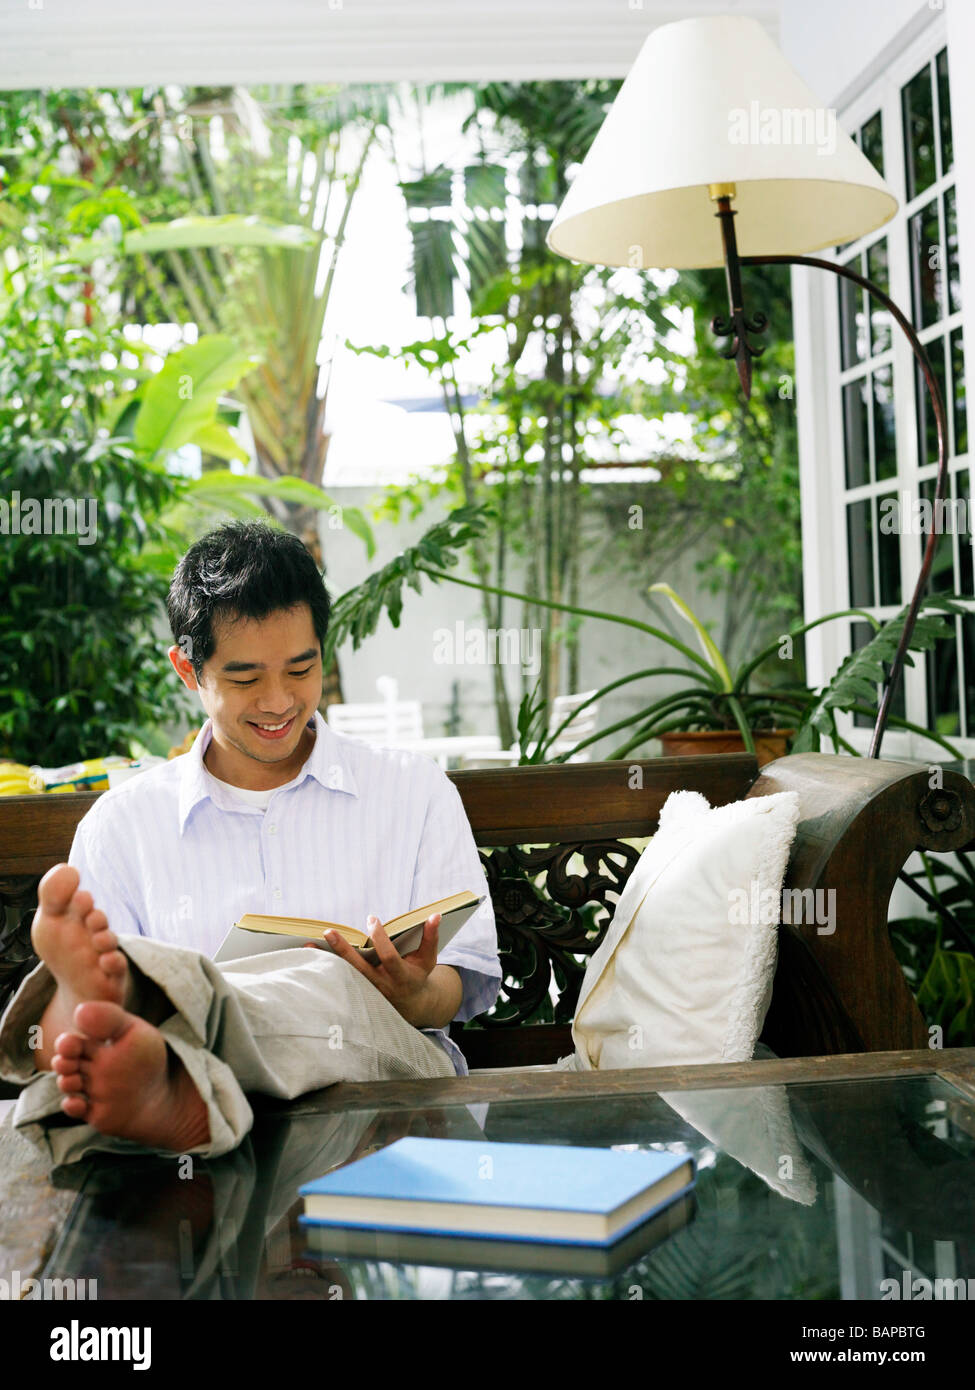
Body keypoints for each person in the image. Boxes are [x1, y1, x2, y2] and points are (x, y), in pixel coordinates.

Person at [0, 521, 501, 1166]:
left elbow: (461, 981)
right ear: (188, 668)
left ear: (325, 648)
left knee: (323, 982)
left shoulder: (413, 791)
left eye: (302, 667)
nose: (278, 701)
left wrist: (414, 994)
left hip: (382, 1098)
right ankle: (140, 1052)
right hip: (190, 1116)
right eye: (244, 679)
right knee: (138, 1028)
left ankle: (167, 1064)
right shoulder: (123, 825)